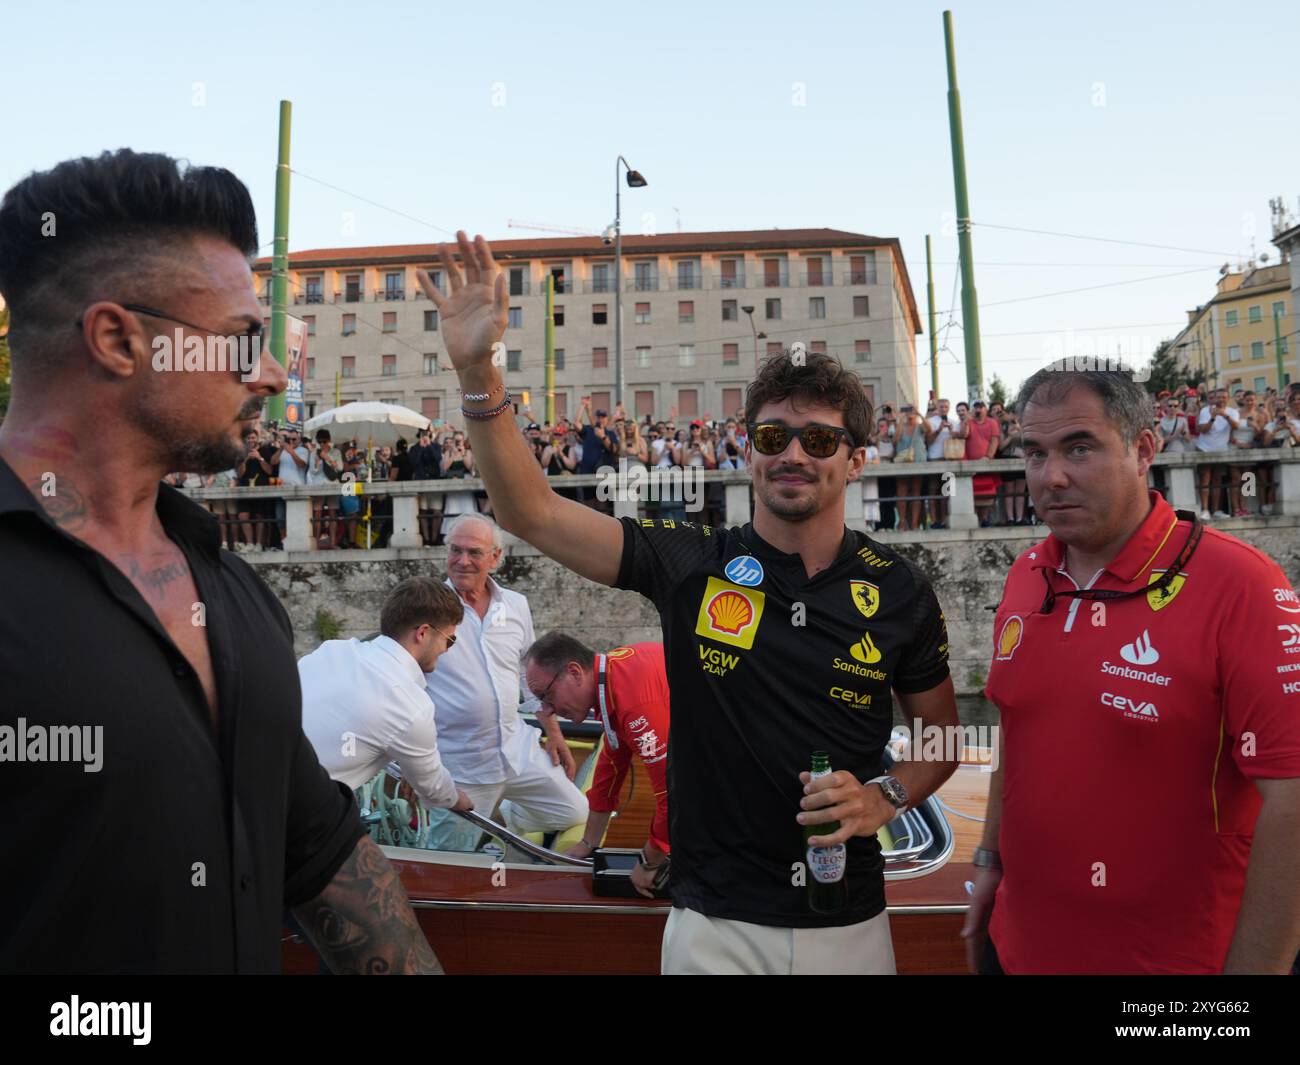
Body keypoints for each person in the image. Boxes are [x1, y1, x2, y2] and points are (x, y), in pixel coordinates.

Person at [417, 232, 959, 975]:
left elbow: (942, 737)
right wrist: (478, 370)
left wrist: (884, 796)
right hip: (713, 924)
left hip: (848, 919)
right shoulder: (693, 562)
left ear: (857, 459)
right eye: (773, 434)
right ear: (748, 449)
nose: (793, 453)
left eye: (818, 440)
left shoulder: (899, 587)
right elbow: (531, 512)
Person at [0, 148, 438, 973]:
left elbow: (317, 852)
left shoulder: (230, 588)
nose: (271, 374)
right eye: (243, 341)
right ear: (119, 339)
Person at [963, 362, 1300, 975]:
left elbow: (1294, 798)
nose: (1052, 476)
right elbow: (1016, 728)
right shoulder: (1028, 573)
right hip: (1017, 948)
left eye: (1080, 448)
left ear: (1144, 449)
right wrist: (989, 863)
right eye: (1034, 454)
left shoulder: (1242, 585)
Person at [422, 513, 588, 846]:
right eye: (455, 550)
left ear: (496, 558)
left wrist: (553, 731)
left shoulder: (516, 605)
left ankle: (502, 816)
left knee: (573, 811)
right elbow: (406, 682)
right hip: (462, 764)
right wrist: (416, 767)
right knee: (448, 858)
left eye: (474, 553)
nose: (462, 561)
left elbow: (532, 678)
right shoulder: (426, 608)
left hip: (517, 749)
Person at [300, 576, 472, 815]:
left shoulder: (332, 650)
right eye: (449, 640)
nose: (446, 650)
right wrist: (459, 800)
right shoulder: (410, 706)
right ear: (423, 633)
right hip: (294, 812)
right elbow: (433, 788)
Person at [525, 633, 672, 898]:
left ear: (574, 672)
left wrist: (650, 862)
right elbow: (611, 766)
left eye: (546, 696)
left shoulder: (636, 704)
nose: (547, 711)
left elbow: (675, 798)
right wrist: (588, 843)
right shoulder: (614, 675)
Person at [957, 400, 1001, 527]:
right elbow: (963, 435)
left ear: (985, 409)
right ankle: (975, 519)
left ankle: (985, 519)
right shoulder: (969, 422)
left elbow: (994, 441)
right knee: (973, 494)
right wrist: (966, 420)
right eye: (976, 407)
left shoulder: (992, 422)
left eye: (981, 407)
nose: (978, 410)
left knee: (987, 493)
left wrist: (988, 456)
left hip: (986, 464)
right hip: (971, 465)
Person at [1195, 388, 1236, 519]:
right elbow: (1202, 430)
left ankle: (1216, 510)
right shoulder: (1205, 411)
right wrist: (1213, 417)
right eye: (1219, 397)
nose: (1221, 399)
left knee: (1217, 480)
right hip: (1204, 448)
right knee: (1205, 479)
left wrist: (1225, 415)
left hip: (1221, 449)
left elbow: (1236, 426)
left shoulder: (1232, 412)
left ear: (1228, 398)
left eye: (1224, 397)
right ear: (1214, 398)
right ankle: (1205, 510)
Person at [273, 425, 309, 543]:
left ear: (299, 440)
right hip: (281, 488)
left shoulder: (303, 451)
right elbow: (273, 462)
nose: (292, 441)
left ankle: (296, 541)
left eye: (294, 439)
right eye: (289, 439)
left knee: (295, 518)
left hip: (297, 489)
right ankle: (284, 542)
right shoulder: (282, 451)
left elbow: (301, 464)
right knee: (280, 518)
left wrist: (291, 451)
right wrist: (281, 449)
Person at [924, 398, 955, 528]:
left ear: (949, 408)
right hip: (934, 458)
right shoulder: (930, 422)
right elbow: (928, 441)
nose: (943, 408)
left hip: (950, 459)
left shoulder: (954, 422)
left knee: (948, 492)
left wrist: (952, 430)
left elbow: (959, 439)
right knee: (933, 491)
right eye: (941, 406)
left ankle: (944, 520)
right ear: (937, 407)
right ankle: (934, 521)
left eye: (946, 406)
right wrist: (939, 429)